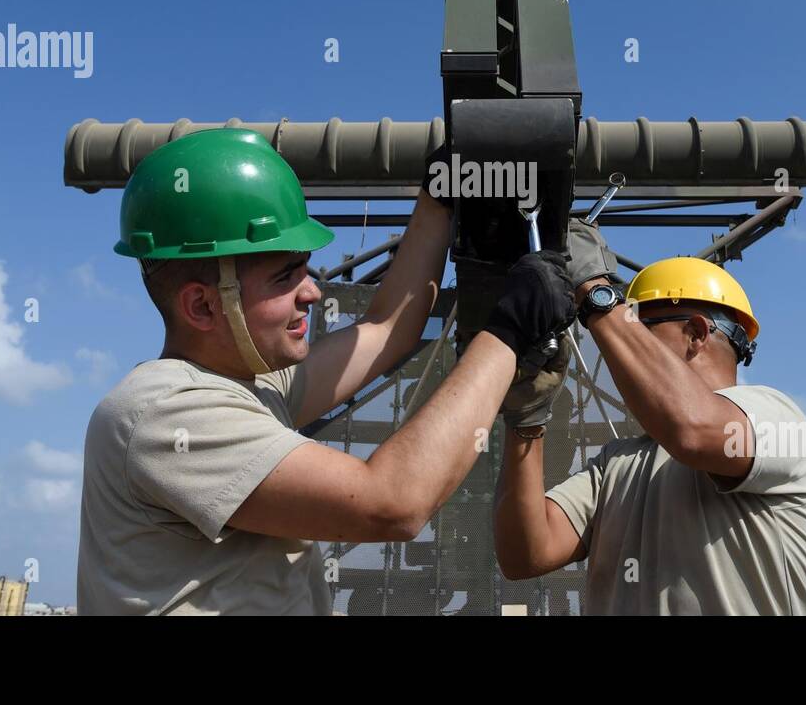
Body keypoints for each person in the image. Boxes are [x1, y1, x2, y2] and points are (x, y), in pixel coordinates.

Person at [76, 127, 574, 614]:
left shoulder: (249, 391)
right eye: (285, 276)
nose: (312, 292)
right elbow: (392, 503)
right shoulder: (169, 413)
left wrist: (440, 194)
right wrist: (508, 332)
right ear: (203, 307)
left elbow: (384, 330)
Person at [493, 219, 806, 614]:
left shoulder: (776, 417)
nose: (619, 341)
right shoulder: (616, 464)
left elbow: (692, 430)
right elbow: (524, 555)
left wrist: (596, 295)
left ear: (697, 334)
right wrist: (527, 420)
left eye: (639, 325)